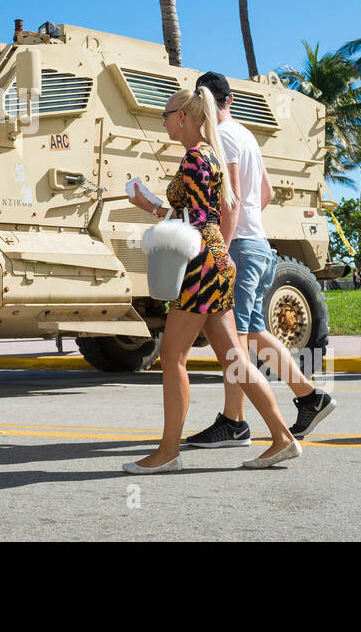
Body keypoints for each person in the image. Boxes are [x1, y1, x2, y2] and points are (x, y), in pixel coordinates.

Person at [124, 87, 300, 472]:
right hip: (218, 259)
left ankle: (168, 453)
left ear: (183, 117)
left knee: (173, 356)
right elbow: (207, 215)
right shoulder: (211, 155)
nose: (163, 122)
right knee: (234, 358)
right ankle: (283, 437)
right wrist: (158, 207)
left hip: (200, 262)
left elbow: (194, 220)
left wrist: (149, 205)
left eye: (166, 115)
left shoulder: (194, 158)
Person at [186, 72, 335, 448]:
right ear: (230, 99)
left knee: (234, 339)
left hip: (239, 247)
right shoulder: (245, 134)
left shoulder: (223, 137)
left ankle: (236, 422)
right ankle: (308, 398)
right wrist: (249, 226)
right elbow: (265, 192)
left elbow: (232, 196)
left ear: (202, 102)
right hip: (256, 244)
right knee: (251, 332)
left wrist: (223, 250)